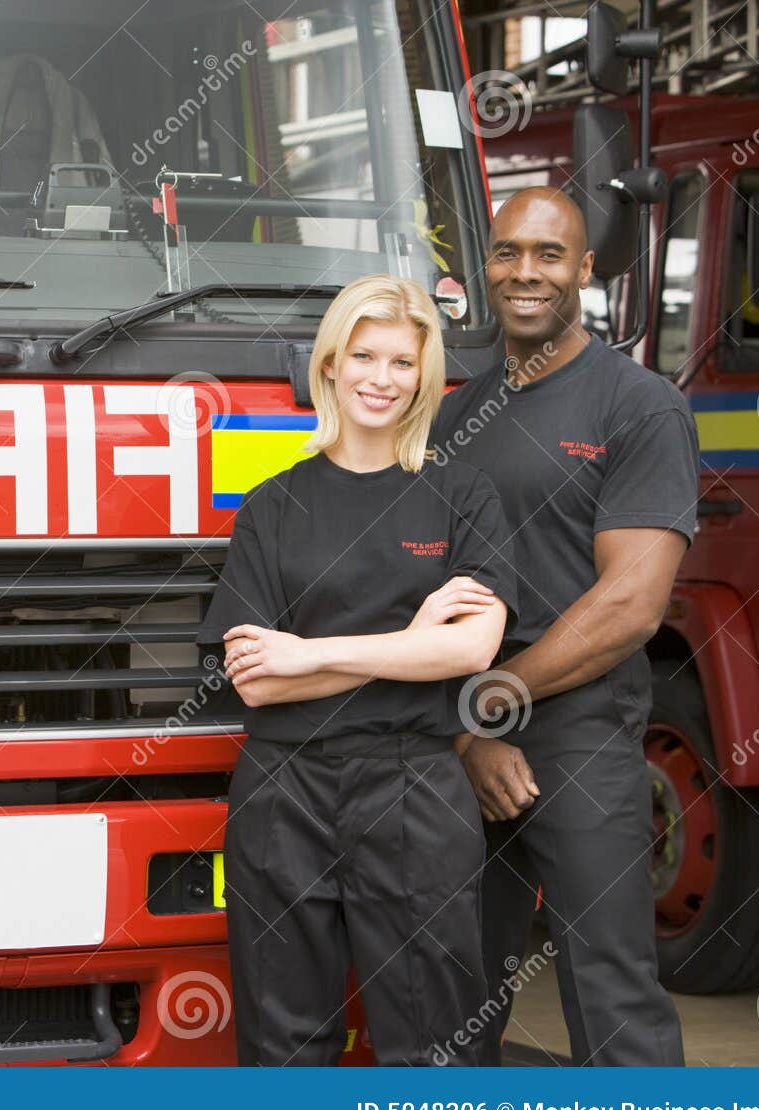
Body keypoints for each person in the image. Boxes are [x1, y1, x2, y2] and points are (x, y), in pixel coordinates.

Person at [198, 273, 519, 1066]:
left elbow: (469, 650)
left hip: (415, 786)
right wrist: (408, 643)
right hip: (284, 796)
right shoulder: (272, 505)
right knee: (284, 1043)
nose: (382, 378)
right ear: (331, 364)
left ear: (426, 376)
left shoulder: (462, 495)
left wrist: (312, 650)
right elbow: (257, 680)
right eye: (364, 356)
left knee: (433, 1041)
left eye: (403, 362)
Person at [431, 187, 696, 1066]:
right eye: (508, 253)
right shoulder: (456, 415)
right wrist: (469, 733)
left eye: (550, 255)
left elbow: (630, 605)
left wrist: (496, 700)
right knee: (455, 991)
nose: (526, 273)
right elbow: (420, 587)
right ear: (487, 269)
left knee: (610, 990)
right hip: (464, 729)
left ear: (586, 271)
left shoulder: (637, 405)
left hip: (577, 728)